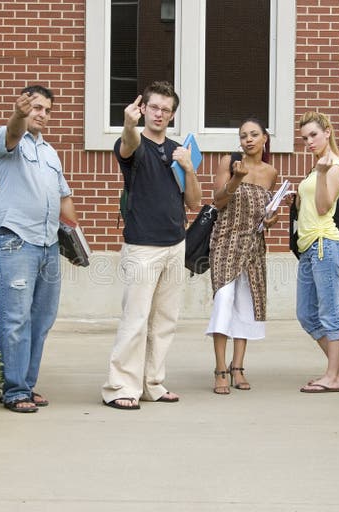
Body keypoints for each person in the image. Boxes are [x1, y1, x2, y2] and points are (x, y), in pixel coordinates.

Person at [101, 81, 202, 410]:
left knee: (164, 321)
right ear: (143, 108)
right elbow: (128, 144)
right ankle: (119, 387)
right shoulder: (132, 143)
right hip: (142, 247)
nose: (160, 113)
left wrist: (189, 168)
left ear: (172, 115)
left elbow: (194, 202)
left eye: (166, 110)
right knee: (135, 320)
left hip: (175, 244)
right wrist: (128, 124)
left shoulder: (178, 150)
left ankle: (151, 383)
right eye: (154, 107)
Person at [0, 85, 79, 412]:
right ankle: (14, 391)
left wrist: (77, 239)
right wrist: (18, 115)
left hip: (48, 245)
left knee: (41, 319)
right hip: (16, 240)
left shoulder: (51, 154)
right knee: (15, 318)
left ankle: (27, 385)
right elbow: (14, 131)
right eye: (35, 107)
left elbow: (63, 197)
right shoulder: (5, 138)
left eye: (46, 110)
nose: (41, 114)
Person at [206, 118, 279, 394]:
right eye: (243, 135)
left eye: (253, 134)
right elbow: (219, 201)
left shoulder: (271, 173)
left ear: (264, 139)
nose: (248, 139)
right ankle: (220, 368)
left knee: (246, 305)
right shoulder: (230, 162)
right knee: (224, 301)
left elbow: (263, 212)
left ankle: (238, 367)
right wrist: (236, 178)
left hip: (253, 246)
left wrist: (270, 220)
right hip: (226, 241)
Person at [294, 111, 339, 393]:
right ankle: (338, 369)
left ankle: (331, 378)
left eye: (314, 135)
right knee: (306, 314)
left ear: (327, 131)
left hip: (323, 245)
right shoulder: (319, 166)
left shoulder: (334, 166)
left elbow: (322, 207)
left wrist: (322, 173)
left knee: (329, 314)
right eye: (305, 138)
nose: (309, 142)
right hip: (308, 248)